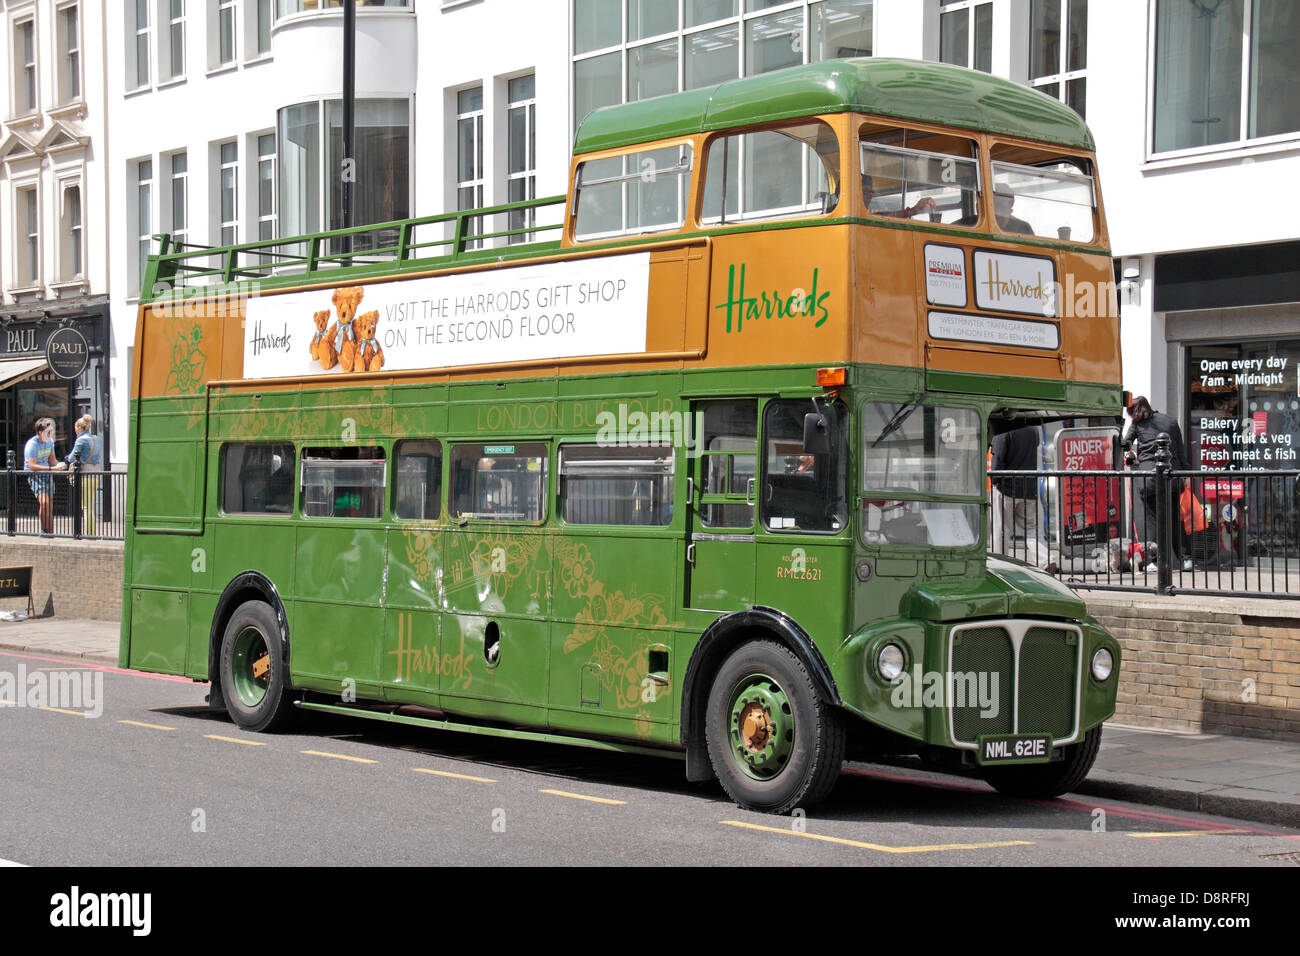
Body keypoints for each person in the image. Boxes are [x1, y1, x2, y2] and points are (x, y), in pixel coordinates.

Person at [1123, 396, 1192, 571]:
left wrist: (1130, 454)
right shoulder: (1170, 421)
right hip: (1172, 475)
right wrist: (1186, 474)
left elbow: (1125, 444)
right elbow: (1180, 449)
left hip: (1150, 478)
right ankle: (1186, 559)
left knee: (1152, 520)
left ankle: (1154, 561)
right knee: (1176, 517)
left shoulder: (1137, 425)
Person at [990, 425, 1048, 566]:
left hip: (1006, 487)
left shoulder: (1003, 431)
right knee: (1031, 528)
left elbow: (998, 458)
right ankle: (1045, 559)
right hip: (1028, 487)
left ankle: (1000, 563)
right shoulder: (1033, 430)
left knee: (1002, 529)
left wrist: (994, 480)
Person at [24, 417, 68, 535]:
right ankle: (44, 530)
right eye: (48, 432)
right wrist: (52, 468)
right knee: (44, 503)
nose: (51, 434)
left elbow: (52, 460)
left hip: (48, 475)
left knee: (49, 505)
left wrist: (61, 466)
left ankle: (50, 531)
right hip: (35, 476)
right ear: (40, 432)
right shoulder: (32, 444)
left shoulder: (50, 442)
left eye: (51, 431)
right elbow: (32, 466)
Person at [65, 415, 102, 535]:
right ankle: (92, 533)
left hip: (85, 475)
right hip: (95, 475)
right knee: (89, 505)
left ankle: (90, 534)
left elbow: (72, 457)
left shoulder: (81, 439)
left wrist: (65, 459)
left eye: (76, 427)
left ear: (80, 427)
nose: (74, 429)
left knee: (86, 507)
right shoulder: (96, 438)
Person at [955, 184, 1034, 234]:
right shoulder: (965, 224)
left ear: (1010, 206)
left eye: (998, 206)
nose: (995, 212)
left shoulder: (1023, 228)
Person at [862, 173, 937, 219]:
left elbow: (886, 217)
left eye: (871, 192)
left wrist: (913, 210)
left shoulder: (870, 216)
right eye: (865, 192)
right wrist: (912, 211)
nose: (869, 196)